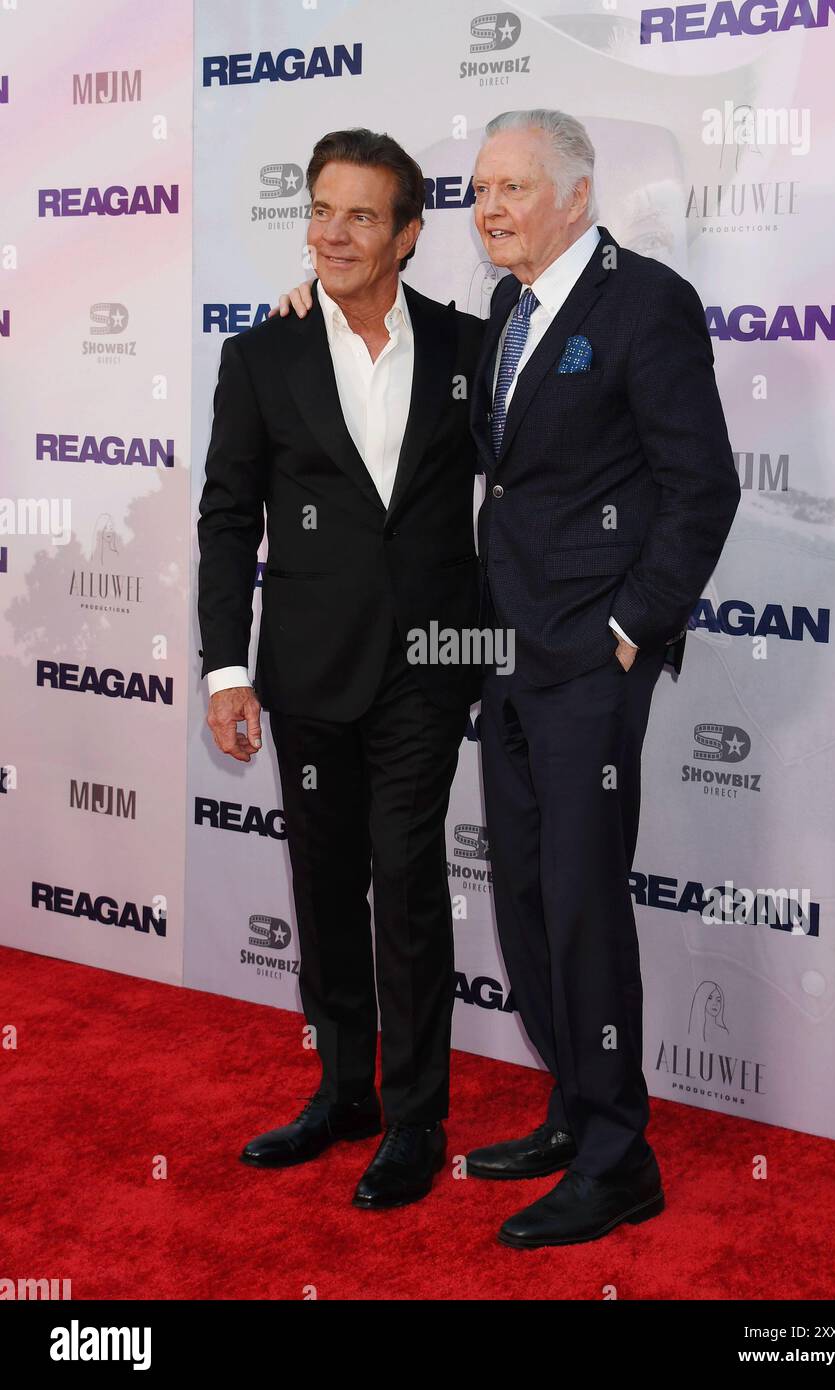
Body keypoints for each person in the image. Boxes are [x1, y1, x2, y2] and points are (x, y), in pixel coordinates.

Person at [276, 108, 740, 1248]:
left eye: (512, 189)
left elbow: (703, 488)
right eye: (478, 189)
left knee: (579, 900)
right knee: (529, 899)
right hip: (504, 655)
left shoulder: (646, 303)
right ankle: (575, 1116)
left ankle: (620, 1155)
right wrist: (316, 312)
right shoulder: (501, 309)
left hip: (590, 658)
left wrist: (630, 628)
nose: (487, 208)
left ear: (575, 197)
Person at [197, 128, 484, 1210]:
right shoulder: (262, 352)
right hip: (307, 667)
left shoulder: (464, 348)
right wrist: (228, 667)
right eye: (322, 209)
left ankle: (414, 1117)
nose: (333, 232)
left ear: (408, 235)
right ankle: (342, 1093)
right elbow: (226, 521)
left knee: (405, 880)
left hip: (426, 661)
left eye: (362, 215)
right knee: (322, 889)